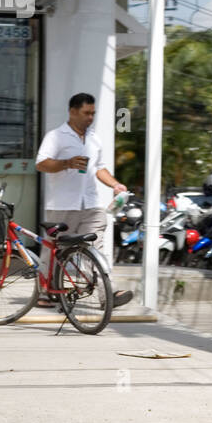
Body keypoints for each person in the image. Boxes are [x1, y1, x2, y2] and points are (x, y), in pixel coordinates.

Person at [35, 92, 133, 308]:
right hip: (62, 205)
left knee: (95, 248)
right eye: (86, 113)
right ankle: (43, 292)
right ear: (72, 112)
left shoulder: (94, 138)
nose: (91, 117)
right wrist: (66, 163)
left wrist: (115, 185)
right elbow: (41, 164)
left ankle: (108, 295)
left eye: (93, 113)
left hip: (91, 204)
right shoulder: (56, 136)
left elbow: (99, 168)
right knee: (53, 250)